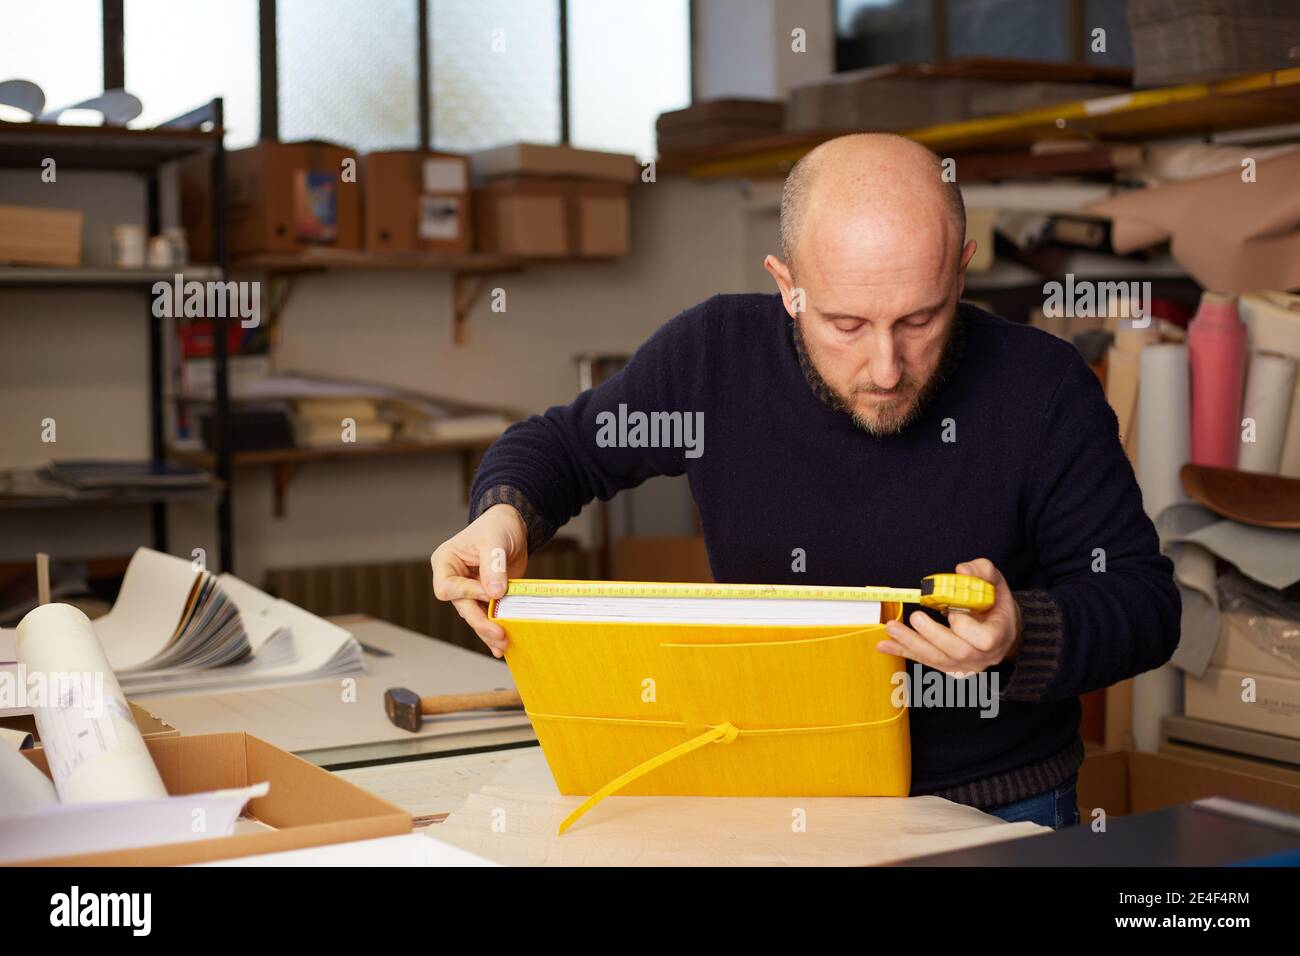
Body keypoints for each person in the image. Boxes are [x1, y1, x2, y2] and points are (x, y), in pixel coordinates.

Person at [430, 133, 1180, 830]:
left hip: (994, 806)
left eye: (921, 318)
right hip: (773, 786)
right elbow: (562, 448)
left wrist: (1022, 633)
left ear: (962, 269)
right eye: (846, 325)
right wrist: (503, 518)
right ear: (786, 285)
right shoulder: (714, 358)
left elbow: (1144, 606)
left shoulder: (1042, 389)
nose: (887, 370)